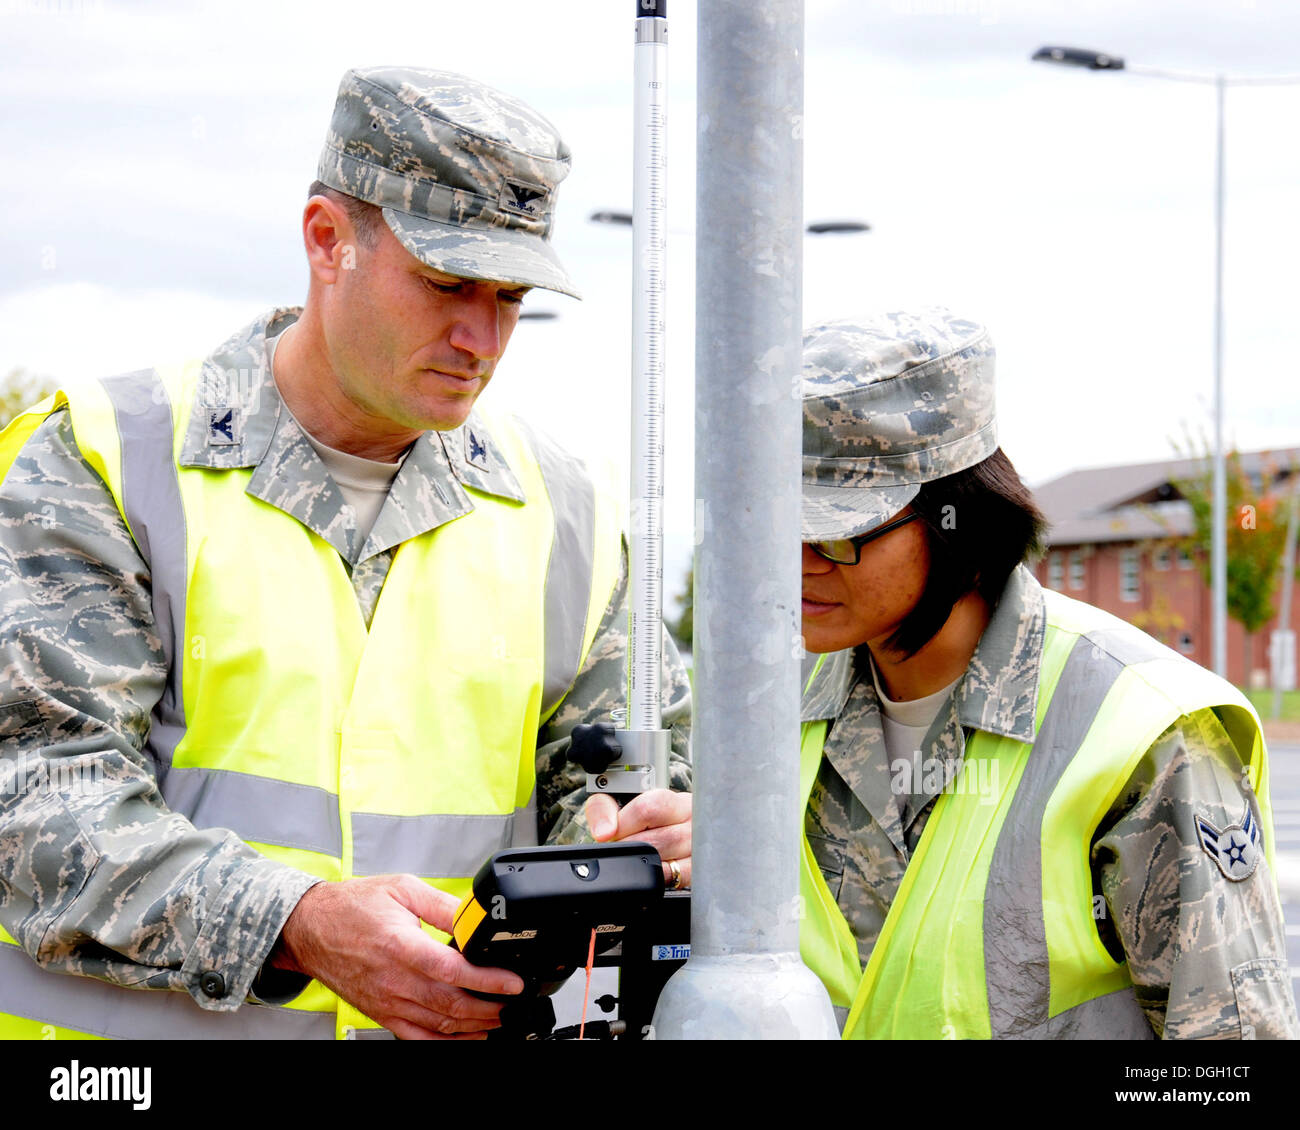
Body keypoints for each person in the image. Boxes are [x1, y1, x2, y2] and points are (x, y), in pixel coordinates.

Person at [0, 66, 691, 1041]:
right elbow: (33, 797)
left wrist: (651, 834)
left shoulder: (566, 513)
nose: (480, 336)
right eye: (447, 283)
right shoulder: (106, 461)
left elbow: (611, 783)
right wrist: (295, 922)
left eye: (510, 296)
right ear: (328, 240)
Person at [795, 309, 1298, 1039]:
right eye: (780, 520)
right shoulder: (775, 711)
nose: (801, 559)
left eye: (837, 533)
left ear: (954, 519)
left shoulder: (1142, 732)